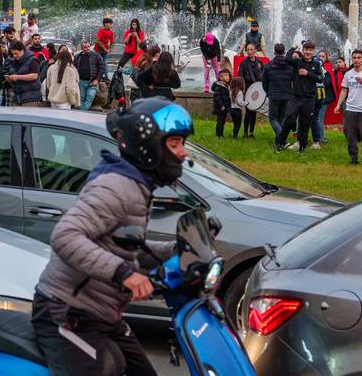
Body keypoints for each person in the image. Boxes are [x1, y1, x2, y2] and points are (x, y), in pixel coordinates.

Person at [32, 98, 192, 376]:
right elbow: (66, 236)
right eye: (175, 143)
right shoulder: (116, 187)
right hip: (68, 312)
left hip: (101, 314)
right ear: (149, 146)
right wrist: (125, 274)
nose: (183, 152)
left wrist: (177, 249)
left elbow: (126, 248)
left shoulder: (138, 186)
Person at [276, 42, 324, 154]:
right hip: (296, 98)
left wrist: (307, 73)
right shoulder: (297, 62)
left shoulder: (316, 65)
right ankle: (280, 143)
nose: (308, 52)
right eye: (306, 49)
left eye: (310, 50)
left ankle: (302, 148)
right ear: (303, 50)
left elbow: (320, 78)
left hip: (309, 99)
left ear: (313, 52)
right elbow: (287, 58)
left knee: (305, 124)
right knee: (289, 121)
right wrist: (293, 48)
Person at [334, 49, 362, 164]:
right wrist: (338, 105)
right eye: (354, 58)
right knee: (350, 135)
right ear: (352, 59)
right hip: (350, 109)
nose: (356, 60)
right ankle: (354, 159)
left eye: (359, 58)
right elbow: (344, 90)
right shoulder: (348, 74)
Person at [262, 43, 293, 141]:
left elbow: (264, 82)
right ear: (284, 52)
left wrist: (268, 92)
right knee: (281, 119)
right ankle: (278, 143)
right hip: (286, 95)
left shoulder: (269, 65)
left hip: (274, 95)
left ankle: (283, 140)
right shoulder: (290, 65)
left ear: (274, 52)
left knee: (272, 119)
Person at [236, 43, 266, 138]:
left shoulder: (260, 63)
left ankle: (251, 133)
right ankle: (245, 132)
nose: (249, 52)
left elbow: (264, 76)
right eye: (247, 50)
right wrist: (243, 92)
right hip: (247, 91)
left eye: (251, 50)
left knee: (254, 112)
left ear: (255, 50)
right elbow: (240, 78)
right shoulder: (243, 63)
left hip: (257, 92)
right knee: (248, 112)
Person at [310, 55, 335, 150]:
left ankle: (321, 138)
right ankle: (315, 137)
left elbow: (328, 83)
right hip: (313, 98)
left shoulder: (325, 72)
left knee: (319, 119)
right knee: (314, 119)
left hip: (322, 99)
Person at [7, 41, 43, 106]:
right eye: (13, 54)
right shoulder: (14, 61)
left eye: (16, 53)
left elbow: (34, 76)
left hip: (31, 98)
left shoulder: (32, 60)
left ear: (22, 51)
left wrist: (17, 77)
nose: (14, 56)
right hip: (18, 97)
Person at [75, 41, 103, 111]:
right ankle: (81, 115)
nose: (87, 48)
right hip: (81, 81)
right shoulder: (77, 57)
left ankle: (81, 114)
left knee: (89, 98)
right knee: (81, 98)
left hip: (92, 82)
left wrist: (97, 79)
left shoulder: (96, 55)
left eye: (88, 46)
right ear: (82, 48)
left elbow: (102, 68)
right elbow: (74, 69)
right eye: (85, 47)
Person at [212, 68, 232, 138]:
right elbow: (217, 97)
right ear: (221, 77)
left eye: (228, 75)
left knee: (223, 122)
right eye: (226, 75)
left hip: (224, 108)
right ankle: (218, 135)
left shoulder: (226, 86)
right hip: (220, 108)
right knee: (220, 122)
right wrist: (221, 105)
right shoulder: (219, 86)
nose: (228, 77)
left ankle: (221, 134)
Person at [0, 42, 12, 106]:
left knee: (1, 96)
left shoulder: (4, 55)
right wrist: (4, 71)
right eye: (3, 47)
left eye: (5, 47)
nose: (4, 48)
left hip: (3, 78)